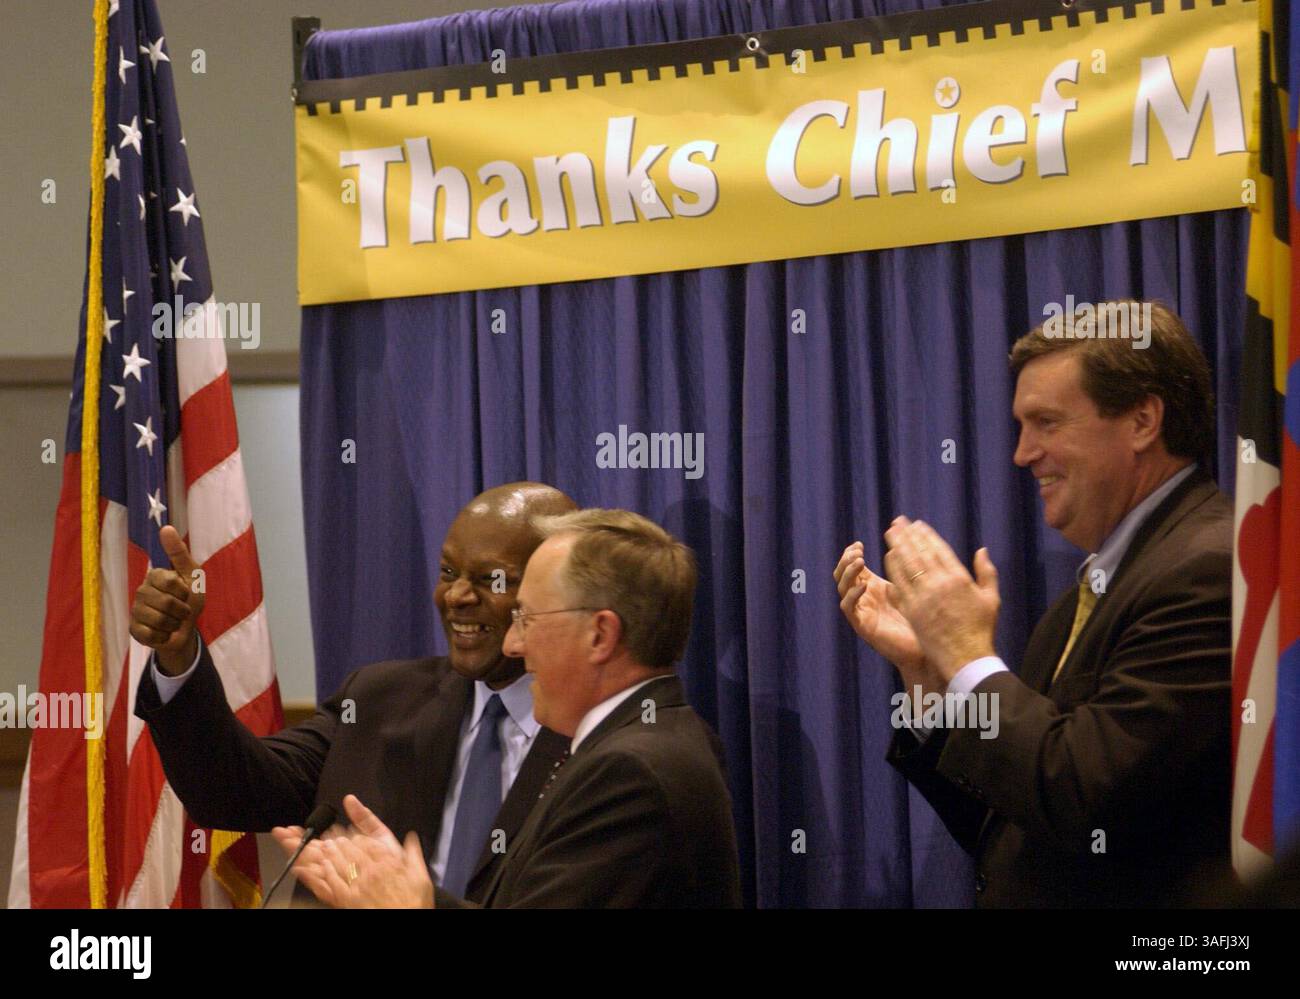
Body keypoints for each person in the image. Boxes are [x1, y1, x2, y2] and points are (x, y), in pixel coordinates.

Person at [834, 301, 1232, 907]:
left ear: (1143, 421)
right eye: (1022, 426)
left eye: (1047, 422)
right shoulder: (1091, 589)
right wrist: (928, 672)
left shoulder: (1209, 570)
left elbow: (1085, 799)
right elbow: (1011, 821)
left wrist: (968, 655)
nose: (1022, 454)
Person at [273, 508, 742, 908]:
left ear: (600, 634)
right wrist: (406, 888)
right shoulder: (641, 741)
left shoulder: (630, 769)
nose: (515, 645)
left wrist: (406, 903)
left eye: (527, 618)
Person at [130, 482, 575, 903]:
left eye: (492, 580)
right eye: (449, 571)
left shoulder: (600, 737)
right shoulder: (380, 699)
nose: (456, 595)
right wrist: (178, 656)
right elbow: (230, 790)